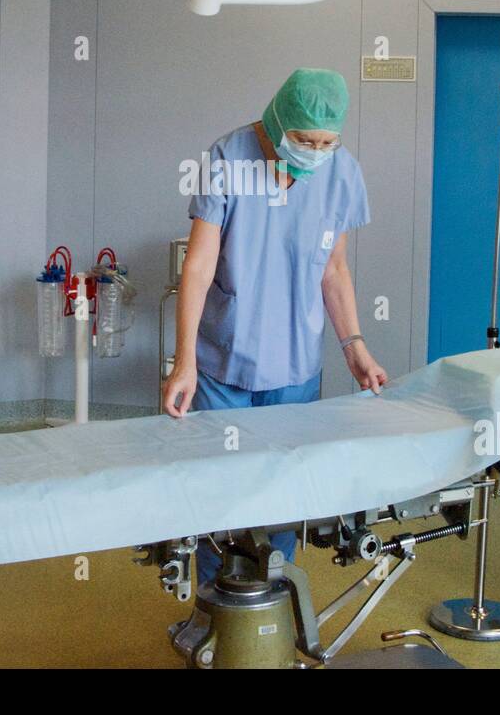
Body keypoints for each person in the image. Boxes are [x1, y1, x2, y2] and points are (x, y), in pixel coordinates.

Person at [162, 68, 387, 585]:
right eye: (305, 140)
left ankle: (269, 614)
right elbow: (197, 266)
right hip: (223, 361)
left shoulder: (341, 173)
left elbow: (334, 269)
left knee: (282, 499)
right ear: (278, 119)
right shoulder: (227, 159)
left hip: (295, 366)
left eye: (327, 143)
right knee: (222, 498)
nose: (315, 153)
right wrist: (185, 361)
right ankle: (216, 615)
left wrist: (355, 347)